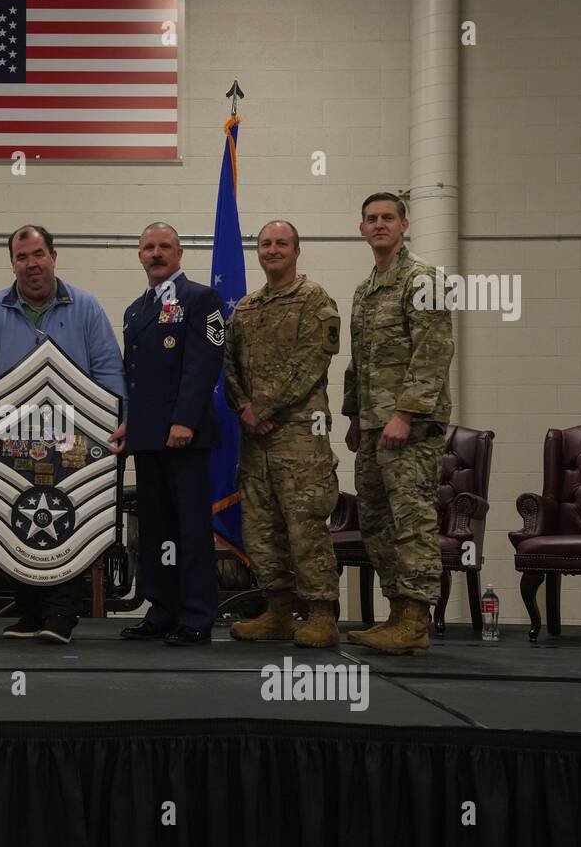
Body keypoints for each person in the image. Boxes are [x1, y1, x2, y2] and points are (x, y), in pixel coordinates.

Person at [0, 225, 126, 644]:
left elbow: (108, 369)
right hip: (9, 438)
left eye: (38, 254)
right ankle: (30, 614)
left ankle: (62, 616)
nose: (31, 264)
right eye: (22, 257)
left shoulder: (86, 306)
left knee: (68, 518)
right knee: (19, 520)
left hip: (76, 439)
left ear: (53, 255)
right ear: (12, 262)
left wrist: (121, 416)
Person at [343, 193, 454, 655]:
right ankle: (396, 614)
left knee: (411, 518)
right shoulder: (367, 288)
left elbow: (433, 350)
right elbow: (359, 361)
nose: (380, 224)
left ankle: (415, 619)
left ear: (404, 225)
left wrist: (405, 413)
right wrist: (353, 416)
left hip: (410, 426)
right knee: (376, 519)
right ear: (362, 228)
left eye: (389, 217)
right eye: (372, 218)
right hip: (372, 425)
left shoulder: (423, 278)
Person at [224, 220, 342, 648]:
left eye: (281, 243)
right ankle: (276, 611)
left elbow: (313, 362)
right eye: (265, 244)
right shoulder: (246, 308)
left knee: (305, 525)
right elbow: (229, 365)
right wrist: (243, 407)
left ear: (297, 250)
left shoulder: (314, 301)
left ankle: (322, 615)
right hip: (255, 440)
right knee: (260, 527)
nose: (272, 250)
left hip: (299, 435)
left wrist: (264, 408)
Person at [119, 222, 224, 647]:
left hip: (185, 436)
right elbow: (135, 378)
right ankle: (161, 610)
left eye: (165, 246)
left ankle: (197, 616)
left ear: (179, 253)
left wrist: (185, 420)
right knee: (157, 530)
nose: (156, 253)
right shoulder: (134, 310)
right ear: (139, 256)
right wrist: (128, 421)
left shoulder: (202, 299)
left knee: (191, 531)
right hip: (146, 438)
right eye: (148, 247)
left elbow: (204, 364)